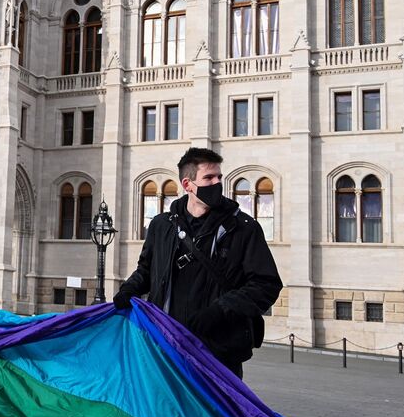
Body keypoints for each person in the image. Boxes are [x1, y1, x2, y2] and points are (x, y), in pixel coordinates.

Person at [112, 147, 282, 379]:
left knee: (214, 413)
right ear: (187, 184)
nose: (217, 183)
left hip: (217, 351)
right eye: (209, 178)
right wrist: (129, 289)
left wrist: (220, 311)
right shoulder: (162, 225)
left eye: (219, 177)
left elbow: (266, 284)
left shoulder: (243, 228)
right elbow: (146, 269)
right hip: (166, 345)